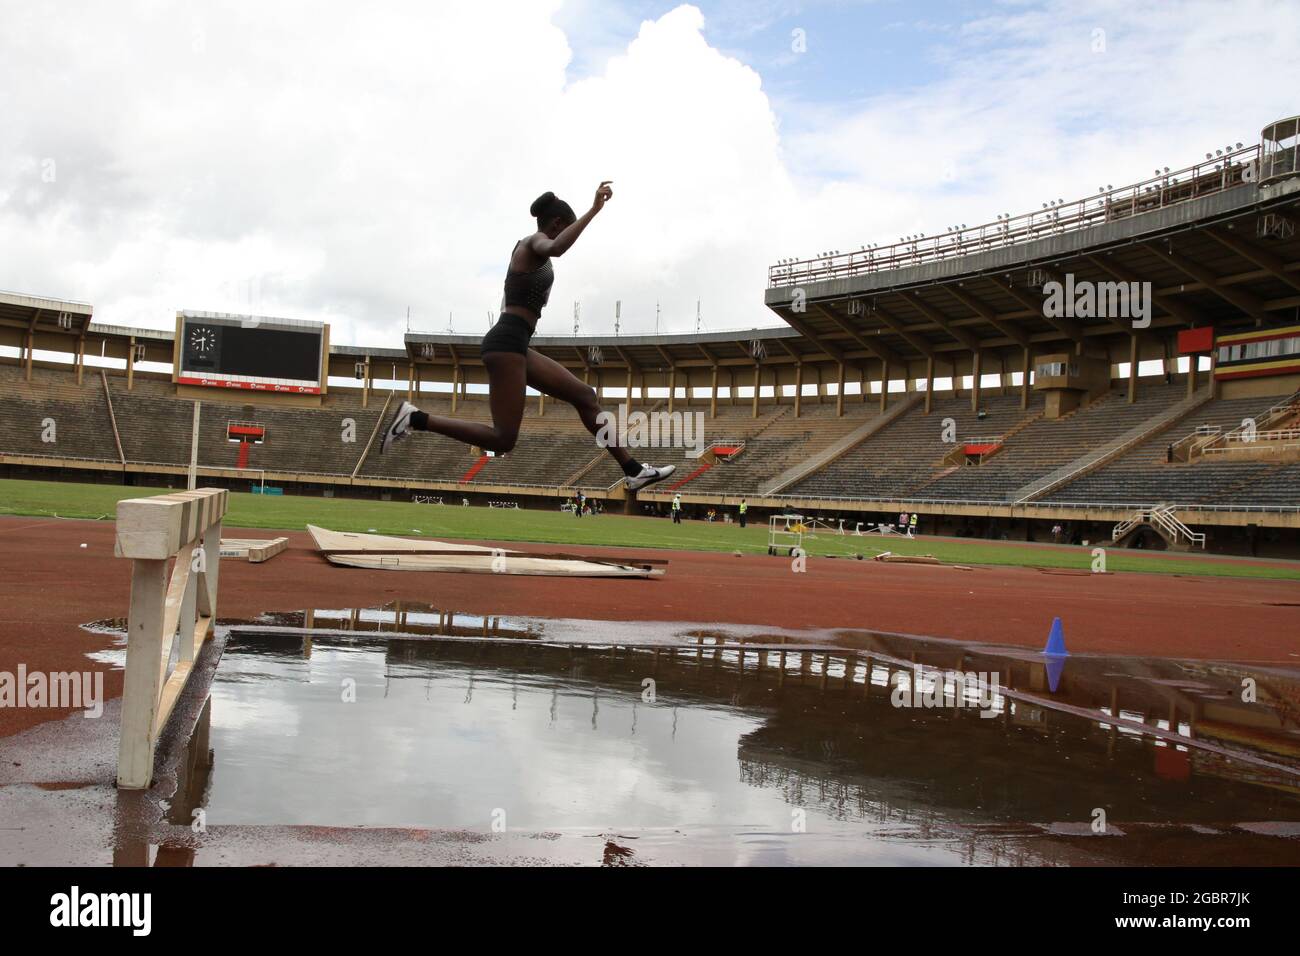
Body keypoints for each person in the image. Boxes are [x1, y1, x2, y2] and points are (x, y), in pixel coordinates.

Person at [379, 183, 675, 493]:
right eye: (567, 227)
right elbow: (557, 247)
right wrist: (594, 211)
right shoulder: (534, 242)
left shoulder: (533, 250)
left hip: (517, 344)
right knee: (503, 439)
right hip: (507, 342)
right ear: (557, 224)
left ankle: (633, 470)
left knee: (585, 396)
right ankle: (416, 419)